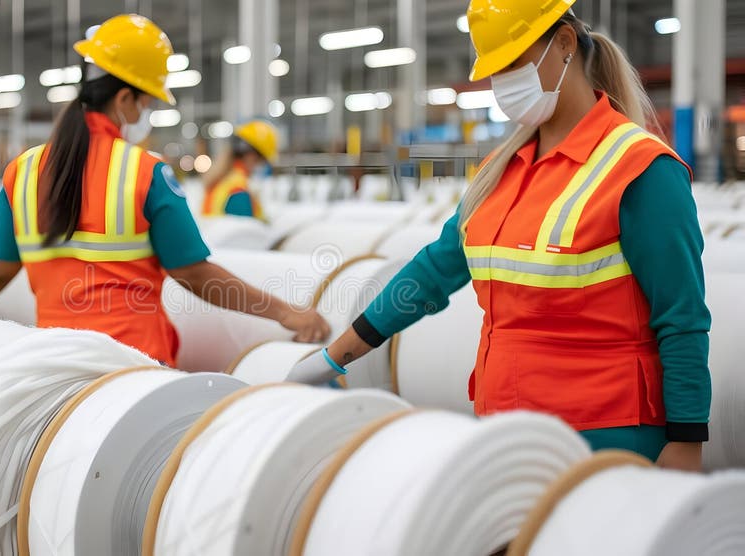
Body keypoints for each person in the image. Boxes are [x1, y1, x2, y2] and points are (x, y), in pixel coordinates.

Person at [289, 0, 711, 472]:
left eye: (513, 63)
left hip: (606, 440)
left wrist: (687, 439)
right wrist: (337, 355)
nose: (502, 84)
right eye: (495, 71)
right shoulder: (501, 172)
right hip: (506, 434)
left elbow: (682, 317)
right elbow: (434, 271)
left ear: (565, 44)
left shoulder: (640, 169)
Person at [0, 15, 328, 367]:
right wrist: (285, 312)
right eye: (146, 101)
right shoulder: (145, 172)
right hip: (135, 367)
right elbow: (194, 274)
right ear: (125, 98)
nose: (146, 113)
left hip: (55, 364)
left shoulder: (22, 171)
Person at [201, 119, 276, 219]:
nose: (263, 167)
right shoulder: (238, 191)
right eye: (263, 161)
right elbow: (246, 231)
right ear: (251, 156)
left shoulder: (221, 180)